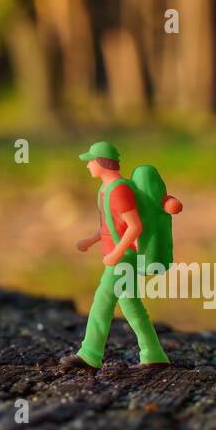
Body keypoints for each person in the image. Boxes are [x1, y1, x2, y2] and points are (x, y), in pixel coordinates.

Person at [58, 140, 180, 374]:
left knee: (102, 302)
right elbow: (110, 227)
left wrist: (116, 253)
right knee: (131, 305)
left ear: (102, 163)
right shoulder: (105, 190)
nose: (88, 166)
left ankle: (90, 355)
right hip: (119, 255)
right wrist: (91, 241)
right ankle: (154, 354)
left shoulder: (120, 191)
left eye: (91, 161)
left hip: (124, 258)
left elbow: (135, 227)